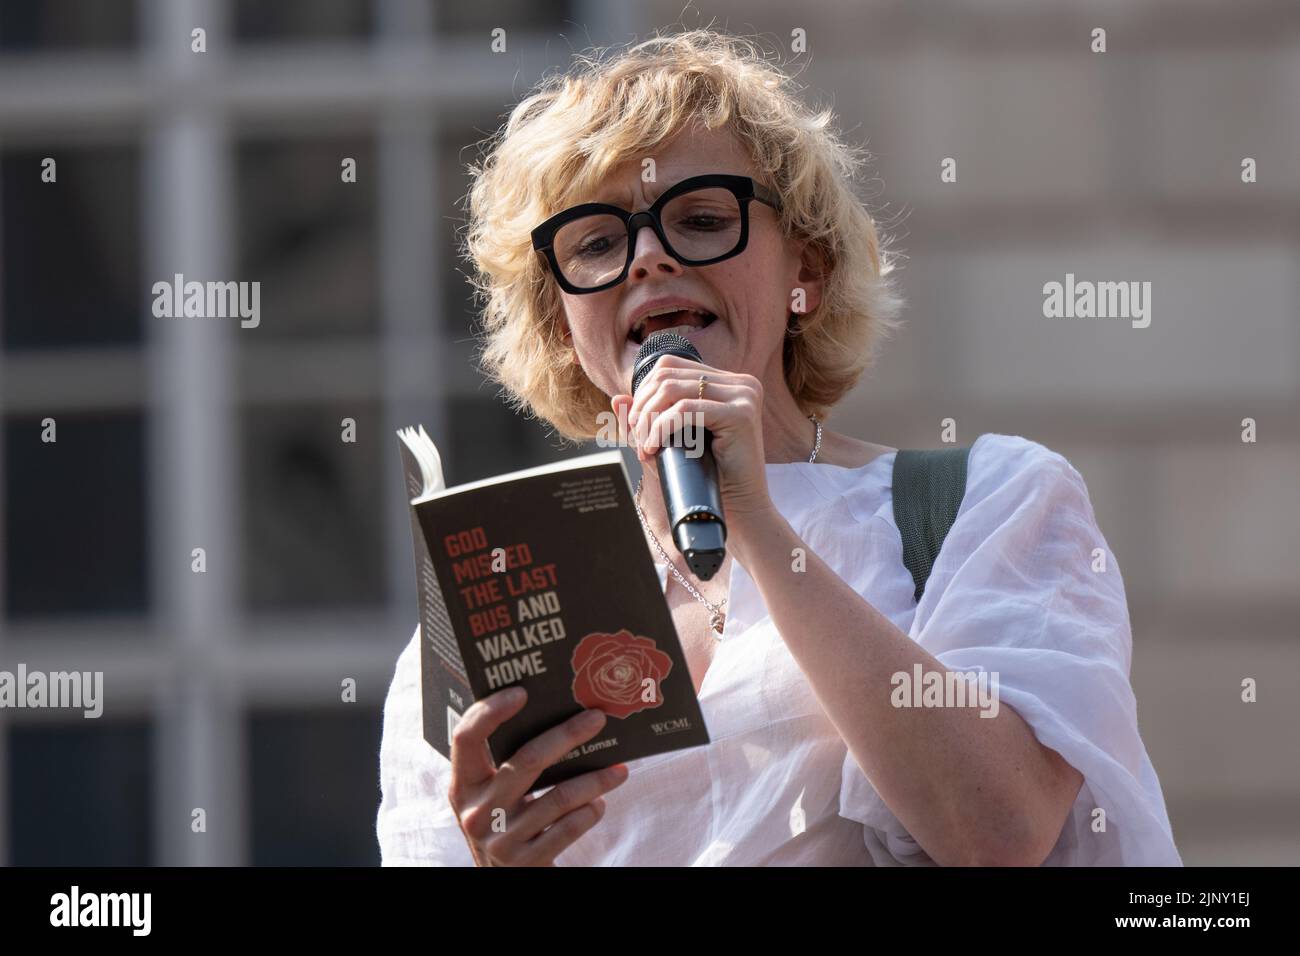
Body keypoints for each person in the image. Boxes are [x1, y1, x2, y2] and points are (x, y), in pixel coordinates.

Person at [376, 29, 1182, 866]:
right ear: (561, 321)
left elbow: (999, 832)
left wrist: (754, 517)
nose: (648, 258)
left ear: (809, 273)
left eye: (699, 218)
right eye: (597, 242)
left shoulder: (990, 503)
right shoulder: (486, 616)